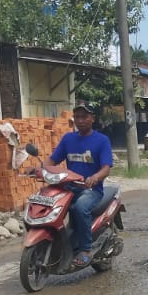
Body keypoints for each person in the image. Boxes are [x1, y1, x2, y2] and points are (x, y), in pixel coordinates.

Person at [41, 102, 113, 269]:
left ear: (92, 119)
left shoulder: (102, 141)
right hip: (69, 187)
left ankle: (86, 250)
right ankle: (57, 242)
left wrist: (95, 177)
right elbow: (53, 160)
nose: (80, 120)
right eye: (77, 117)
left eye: (84, 117)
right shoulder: (68, 139)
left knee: (80, 208)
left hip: (91, 189)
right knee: (49, 203)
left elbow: (106, 168)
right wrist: (40, 168)